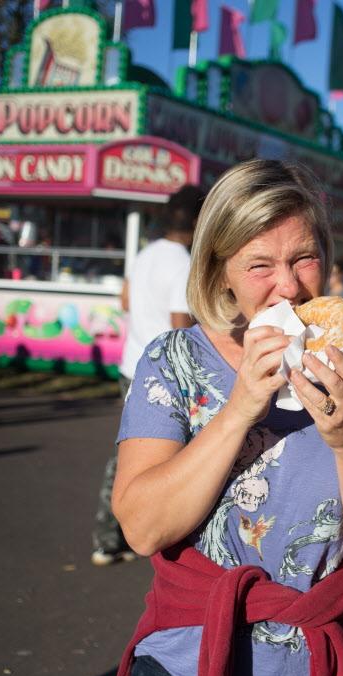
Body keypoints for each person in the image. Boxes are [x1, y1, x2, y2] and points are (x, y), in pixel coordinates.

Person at [111, 160, 343, 676]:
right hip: (188, 660)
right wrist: (240, 408)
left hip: (334, 656)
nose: (289, 287)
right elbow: (141, 527)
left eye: (304, 258)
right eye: (260, 265)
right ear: (218, 270)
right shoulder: (174, 362)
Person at [91, 187, 201, 567]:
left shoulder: (146, 253)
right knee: (164, 455)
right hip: (162, 374)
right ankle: (124, 534)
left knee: (132, 451)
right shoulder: (184, 262)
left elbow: (124, 300)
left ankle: (112, 537)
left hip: (130, 363)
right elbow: (179, 323)